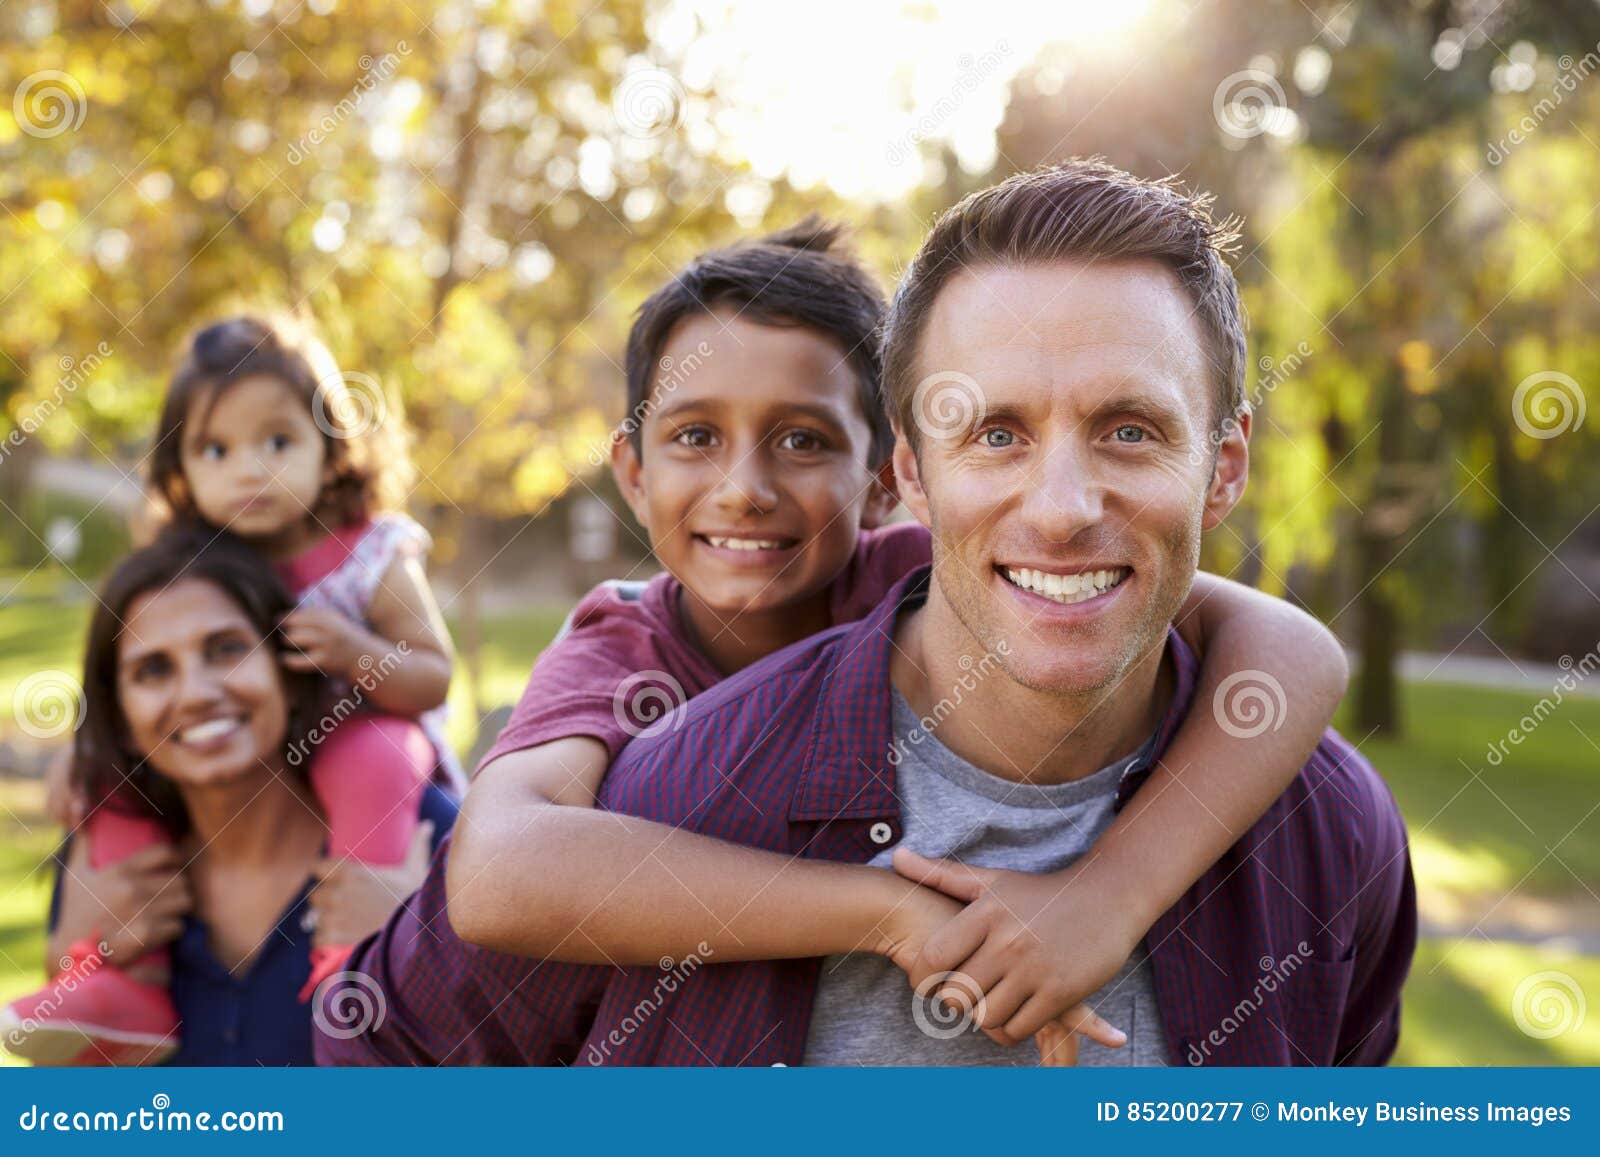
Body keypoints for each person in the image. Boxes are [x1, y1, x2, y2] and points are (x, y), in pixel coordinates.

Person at [323, 168, 1411, 1066]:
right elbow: (487, 899)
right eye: (995, 433)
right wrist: (884, 910)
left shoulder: (1324, 837)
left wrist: (1109, 894)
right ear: (920, 469)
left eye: (1129, 429)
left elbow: (1286, 644)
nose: (1063, 508)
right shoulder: (644, 739)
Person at [4, 313, 459, 1062]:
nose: (193, 691)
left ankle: (349, 961)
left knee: (375, 754)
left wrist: (416, 950)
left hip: (369, 744)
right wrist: (76, 953)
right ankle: (122, 990)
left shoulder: (432, 848)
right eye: (152, 669)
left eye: (226, 649)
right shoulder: (111, 858)